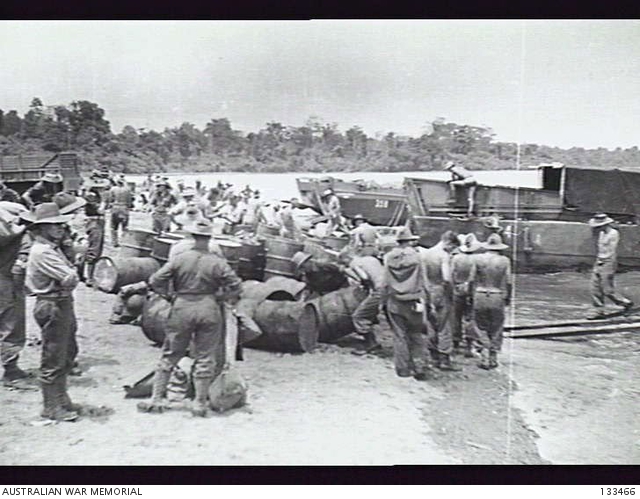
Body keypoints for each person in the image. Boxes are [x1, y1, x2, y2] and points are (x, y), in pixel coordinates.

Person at [139, 220, 243, 417]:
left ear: (192, 237)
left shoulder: (180, 258)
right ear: (210, 238)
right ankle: (199, 403)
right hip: (209, 307)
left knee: (171, 353)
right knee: (205, 356)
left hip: (182, 306)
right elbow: (237, 287)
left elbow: (155, 280)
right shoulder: (218, 262)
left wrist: (169, 296)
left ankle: (157, 399)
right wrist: (220, 297)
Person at [24, 203, 81, 422]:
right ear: (42, 227)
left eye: (61, 224)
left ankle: (61, 400)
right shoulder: (43, 252)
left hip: (60, 302)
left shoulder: (51, 248)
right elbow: (70, 277)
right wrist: (71, 274)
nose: (60, 228)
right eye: (54, 225)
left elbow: (70, 276)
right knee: (53, 358)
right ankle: (51, 407)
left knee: (65, 354)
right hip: (52, 304)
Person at [380, 227, 430, 380]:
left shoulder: (389, 257)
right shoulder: (417, 257)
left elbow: (384, 282)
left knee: (399, 335)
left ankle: (402, 368)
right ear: (410, 241)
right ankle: (419, 366)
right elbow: (425, 282)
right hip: (414, 300)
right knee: (416, 334)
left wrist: (382, 302)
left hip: (395, 300)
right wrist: (429, 301)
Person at [419, 230, 461, 371]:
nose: (451, 251)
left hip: (428, 290)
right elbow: (447, 278)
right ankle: (444, 359)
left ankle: (433, 357)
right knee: (444, 325)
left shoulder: (425, 254)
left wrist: (427, 292)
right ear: (448, 242)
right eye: (452, 248)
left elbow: (423, 277)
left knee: (431, 323)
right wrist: (451, 291)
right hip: (441, 290)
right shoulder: (443, 256)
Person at [0, 202, 31, 384]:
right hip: (7, 282)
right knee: (11, 325)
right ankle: (11, 371)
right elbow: (21, 265)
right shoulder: (24, 236)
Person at [473, 234, 512, 369]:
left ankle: (484, 351)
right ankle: (493, 356)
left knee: (480, 325)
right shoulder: (505, 261)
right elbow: (508, 281)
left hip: (480, 293)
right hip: (496, 294)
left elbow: (472, 279)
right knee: (496, 326)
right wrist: (508, 298)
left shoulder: (477, 259)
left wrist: (470, 296)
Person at [587, 213, 633, 319]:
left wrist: (604, 262)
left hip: (608, 261)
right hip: (599, 260)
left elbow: (611, 251)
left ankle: (624, 302)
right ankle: (598, 310)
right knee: (595, 287)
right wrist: (598, 261)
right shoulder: (601, 233)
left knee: (607, 289)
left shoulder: (613, 233)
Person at [340, 250, 384, 355]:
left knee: (359, 316)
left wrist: (348, 272)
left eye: (344, 262)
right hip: (391, 287)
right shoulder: (370, 258)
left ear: (347, 258)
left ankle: (371, 344)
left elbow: (364, 277)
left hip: (380, 291)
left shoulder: (354, 264)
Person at [450, 233, 483, 358]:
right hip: (472, 291)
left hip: (457, 289)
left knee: (456, 317)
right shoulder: (477, 259)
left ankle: (455, 343)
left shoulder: (456, 258)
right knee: (470, 317)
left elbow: (451, 274)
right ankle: (469, 345)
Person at [104, 177, 133, 247]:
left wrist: (109, 206)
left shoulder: (113, 189)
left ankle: (114, 242)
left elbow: (110, 199)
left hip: (115, 207)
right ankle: (124, 241)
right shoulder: (128, 190)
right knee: (125, 226)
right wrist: (129, 206)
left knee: (113, 227)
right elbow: (130, 201)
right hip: (124, 208)